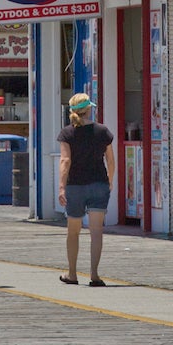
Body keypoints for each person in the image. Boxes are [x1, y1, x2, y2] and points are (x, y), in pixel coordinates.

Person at [56, 93, 116, 287]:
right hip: (99, 184)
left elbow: (65, 161)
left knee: (73, 232)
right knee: (96, 231)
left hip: (75, 186)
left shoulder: (67, 133)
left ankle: (72, 274)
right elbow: (111, 160)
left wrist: (61, 187)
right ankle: (95, 275)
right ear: (89, 109)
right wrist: (110, 180)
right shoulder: (102, 132)